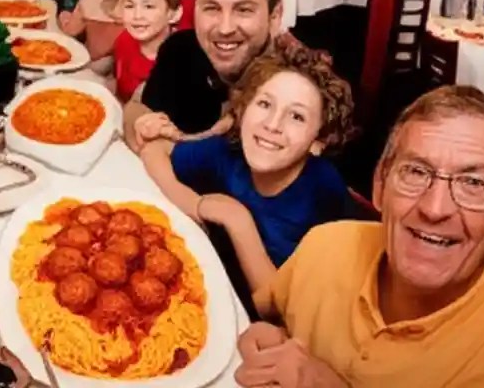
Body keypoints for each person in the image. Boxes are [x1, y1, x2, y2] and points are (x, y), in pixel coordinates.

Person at [237, 86, 484, 388]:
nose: (435, 209)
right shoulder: (325, 245)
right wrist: (272, 343)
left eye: (473, 184)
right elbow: (275, 320)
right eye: (416, 172)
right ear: (380, 184)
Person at [139, 39, 353, 298]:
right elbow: (154, 150)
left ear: (318, 141)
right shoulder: (231, 150)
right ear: (243, 108)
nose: (272, 125)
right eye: (264, 104)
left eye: (296, 116)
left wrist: (237, 221)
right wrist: (195, 204)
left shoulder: (323, 194)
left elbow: (280, 307)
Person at [125, 0, 283, 150]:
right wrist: (142, 125)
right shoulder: (180, 50)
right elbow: (136, 108)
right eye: (212, 8)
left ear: (275, 16)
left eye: (243, 10)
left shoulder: (294, 84)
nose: (225, 28)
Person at [113, 0, 180, 102]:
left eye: (148, 6)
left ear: (173, 14)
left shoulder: (184, 62)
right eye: (130, 6)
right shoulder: (124, 40)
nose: (137, 16)